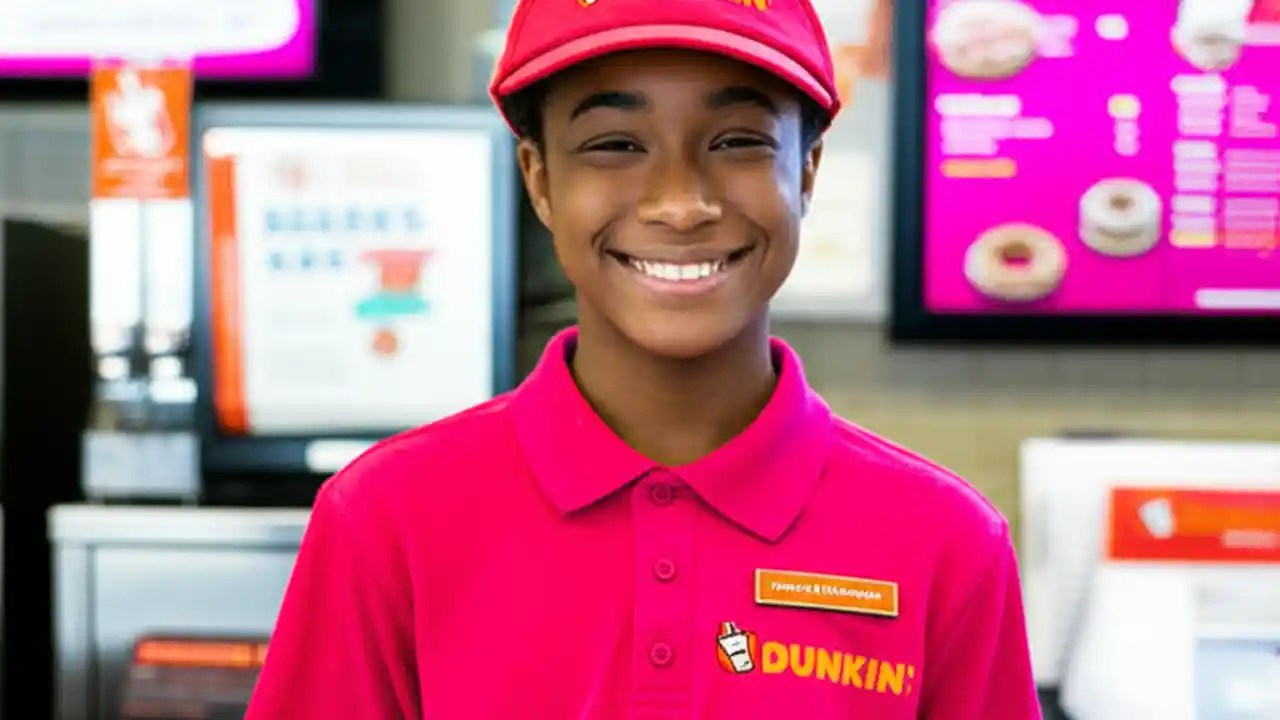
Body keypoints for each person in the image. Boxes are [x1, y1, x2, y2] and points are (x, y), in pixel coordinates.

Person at [245, 0, 1043, 717]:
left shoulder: (945, 545)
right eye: (616, 144)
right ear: (541, 179)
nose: (680, 202)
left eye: (736, 141)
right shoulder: (387, 521)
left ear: (805, 170)